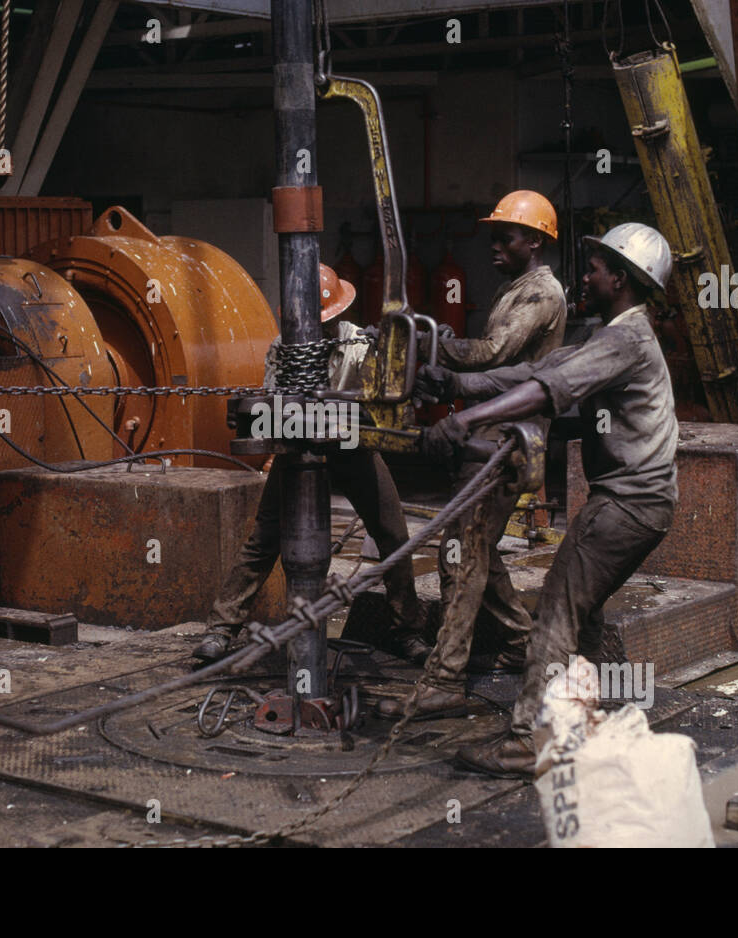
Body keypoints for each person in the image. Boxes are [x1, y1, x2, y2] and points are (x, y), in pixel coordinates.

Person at [417, 222, 679, 777]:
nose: (586, 275)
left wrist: (466, 420)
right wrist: (457, 385)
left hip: (626, 504)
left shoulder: (626, 340)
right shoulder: (617, 334)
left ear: (622, 278)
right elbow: (539, 369)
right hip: (641, 504)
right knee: (581, 620)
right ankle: (578, 723)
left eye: (596, 267)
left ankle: (528, 740)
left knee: (556, 614)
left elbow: (543, 392)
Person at [377, 191, 567, 720]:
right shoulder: (516, 290)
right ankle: (519, 644)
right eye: (494, 238)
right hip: (490, 439)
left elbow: (494, 355)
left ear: (535, 240)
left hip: (507, 445)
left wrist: (433, 348)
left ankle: (444, 679)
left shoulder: (541, 295)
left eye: (505, 237)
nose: (495, 247)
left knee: (461, 550)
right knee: (477, 547)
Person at [192, 264, 430, 665]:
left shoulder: (358, 344)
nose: (316, 331)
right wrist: (258, 418)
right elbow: (270, 408)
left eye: (325, 323)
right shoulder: (282, 347)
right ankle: (221, 629)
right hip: (299, 449)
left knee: (393, 536)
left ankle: (407, 631)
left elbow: (380, 400)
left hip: (352, 445)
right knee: (264, 541)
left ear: (338, 315)